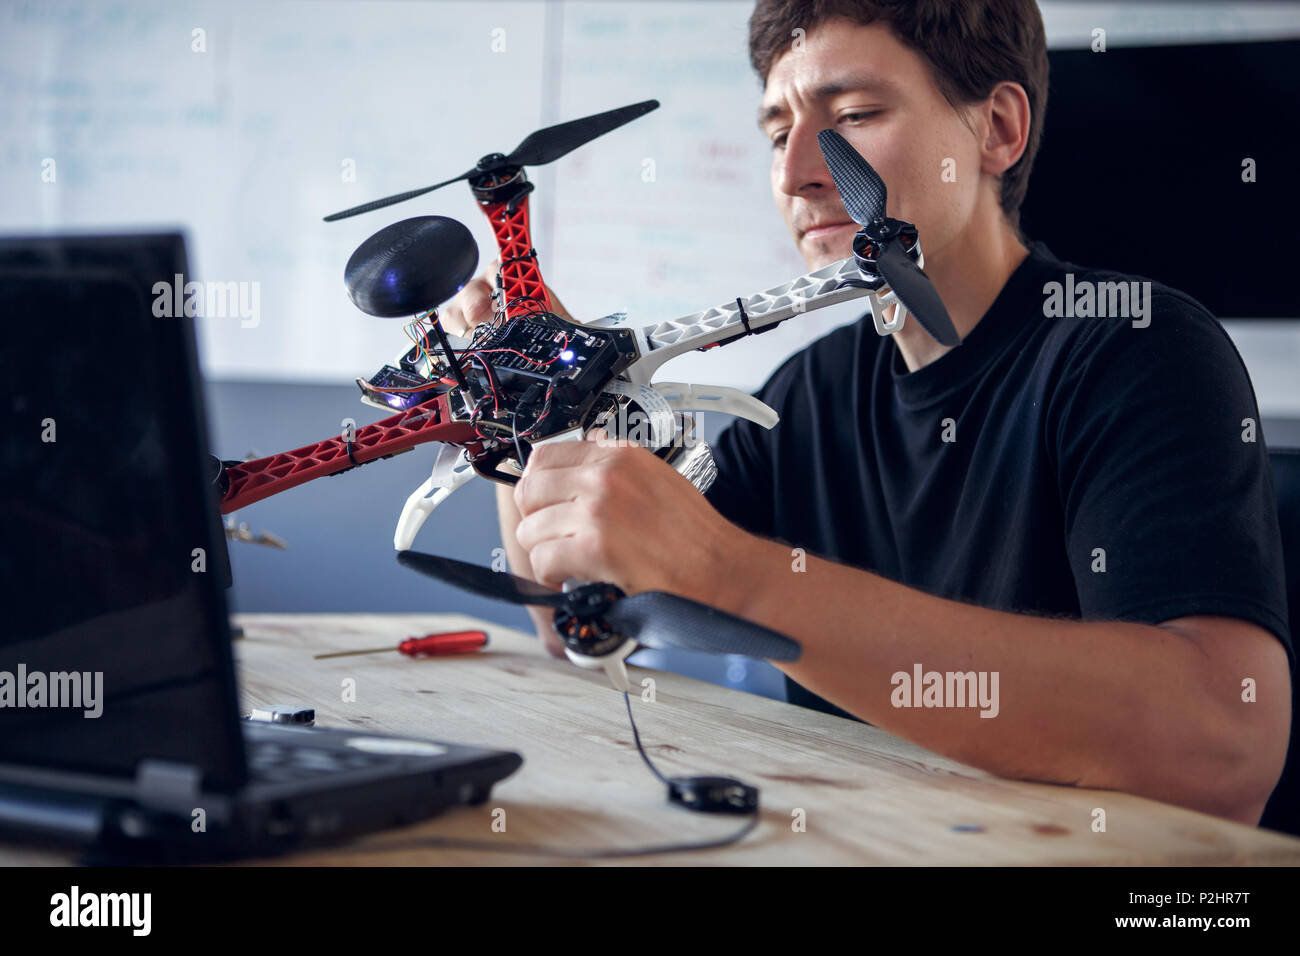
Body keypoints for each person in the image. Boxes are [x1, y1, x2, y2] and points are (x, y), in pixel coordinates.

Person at [439, 0, 1292, 825]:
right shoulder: (811, 392)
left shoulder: (1135, 350)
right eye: (777, 132)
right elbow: (576, 618)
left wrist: (727, 570)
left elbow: (1221, 745)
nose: (794, 172)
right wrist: (539, 402)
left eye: (852, 112)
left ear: (996, 130)